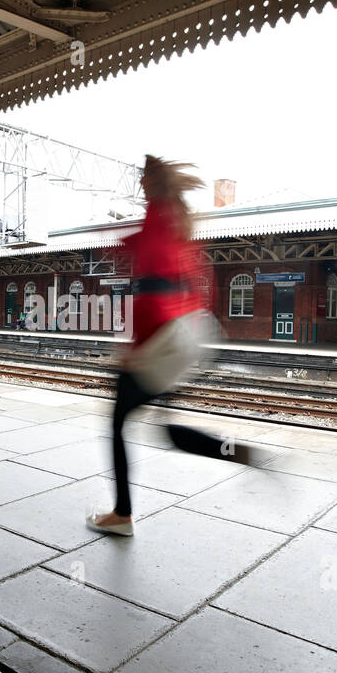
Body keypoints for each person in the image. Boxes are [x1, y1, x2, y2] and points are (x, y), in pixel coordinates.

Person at [87, 156, 259, 537]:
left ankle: (122, 515)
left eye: (144, 178)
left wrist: (135, 349)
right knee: (163, 427)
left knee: (117, 423)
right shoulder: (177, 222)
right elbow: (182, 274)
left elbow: (151, 290)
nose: (140, 184)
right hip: (190, 331)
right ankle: (237, 451)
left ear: (153, 182)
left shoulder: (157, 215)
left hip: (163, 332)